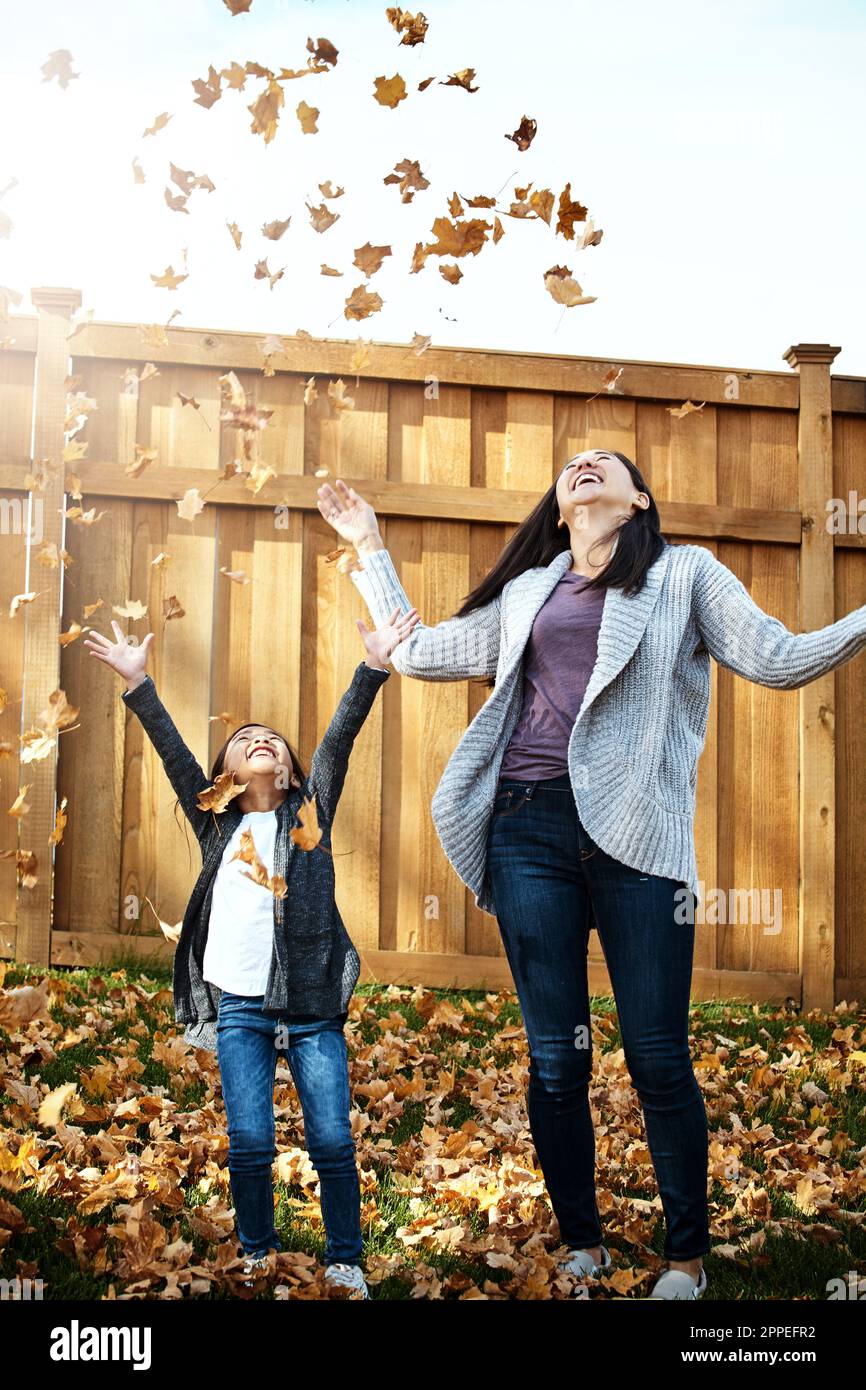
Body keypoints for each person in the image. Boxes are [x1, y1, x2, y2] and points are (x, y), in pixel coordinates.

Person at [318, 449, 866, 1300]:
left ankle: (685, 1260)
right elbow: (419, 652)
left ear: (636, 499)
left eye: (601, 463)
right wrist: (370, 543)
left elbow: (777, 658)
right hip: (527, 828)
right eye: (570, 464)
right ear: (562, 503)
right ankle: (584, 1242)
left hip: (638, 842)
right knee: (554, 1060)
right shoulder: (531, 589)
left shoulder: (685, 575)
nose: (581, 466)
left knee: (657, 1056)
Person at [84, 602, 418, 1298]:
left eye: (272, 739)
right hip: (239, 1006)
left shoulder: (309, 815)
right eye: (245, 740)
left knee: (331, 1140)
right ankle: (259, 1250)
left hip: (314, 1008)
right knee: (251, 1144)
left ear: (294, 772)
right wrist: (138, 684)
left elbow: (339, 741)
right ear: (225, 775)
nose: (262, 741)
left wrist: (373, 666)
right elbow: (176, 756)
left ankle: (344, 1258)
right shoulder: (218, 827)